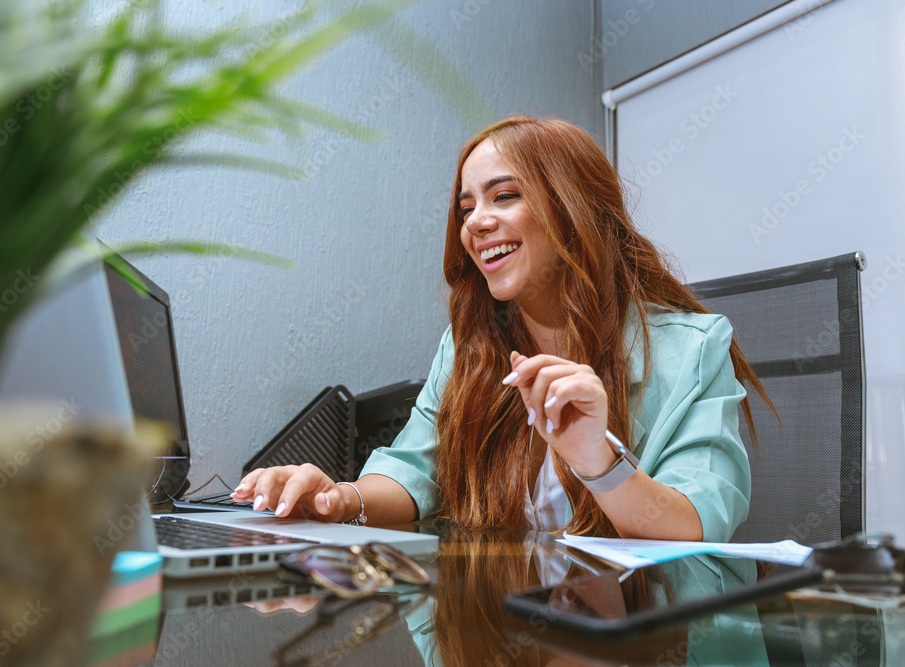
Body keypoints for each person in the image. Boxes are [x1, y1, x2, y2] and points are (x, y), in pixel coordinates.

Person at [232, 117, 771, 542]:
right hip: (500, 628)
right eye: (467, 208)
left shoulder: (694, 350)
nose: (476, 223)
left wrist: (597, 459)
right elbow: (416, 470)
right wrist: (339, 499)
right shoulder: (469, 346)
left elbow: (697, 521)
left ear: (573, 208)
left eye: (505, 196)